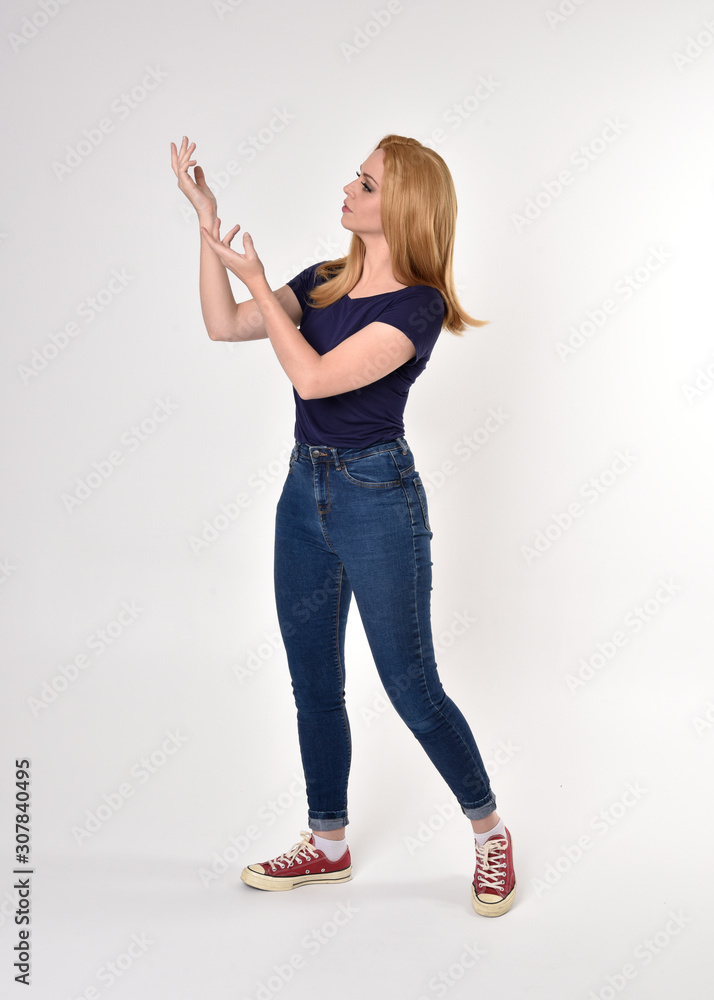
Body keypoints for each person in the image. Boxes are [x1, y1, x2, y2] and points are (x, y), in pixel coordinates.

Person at [170, 133, 516, 916]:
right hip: (305, 496)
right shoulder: (325, 282)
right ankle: (328, 843)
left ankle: (490, 830)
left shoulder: (418, 307)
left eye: (366, 182)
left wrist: (258, 281)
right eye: (357, 177)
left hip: (377, 497)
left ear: (400, 205)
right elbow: (223, 327)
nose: (349, 187)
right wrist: (206, 222)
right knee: (313, 683)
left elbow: (316, 378)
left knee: (411, 686)